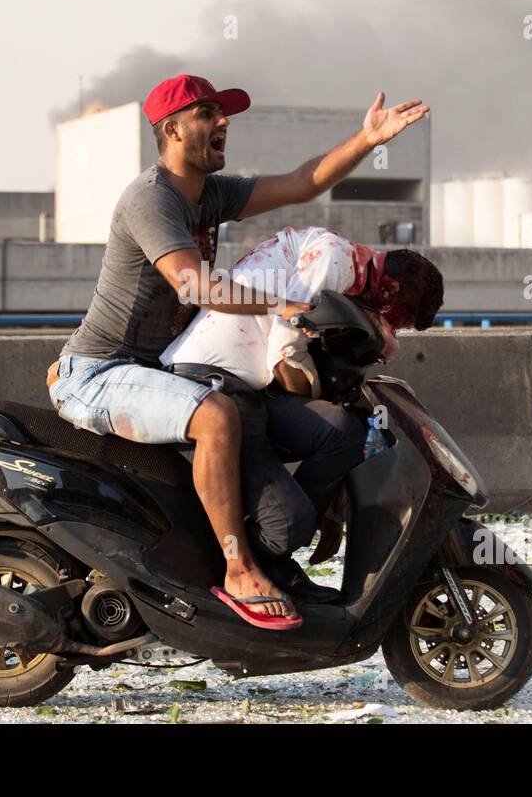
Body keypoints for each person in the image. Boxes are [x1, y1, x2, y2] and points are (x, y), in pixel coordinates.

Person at [48, 73, 429, 630]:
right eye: (208, 114)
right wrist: (285, 305)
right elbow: (194, 286)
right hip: (99, 373)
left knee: (334, 429)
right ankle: (238, 568)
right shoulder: (150, 198)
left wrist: (367, 140)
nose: (223, 122)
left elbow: (301, 183)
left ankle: (277, 557)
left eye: (223, 114)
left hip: (153, 371)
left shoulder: (209, 195)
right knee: (218, 416)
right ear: (172, 129)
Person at [161, 227, 444, 600]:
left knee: (341, 431)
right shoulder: (333, 259)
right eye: (396, 318)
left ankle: (276, 555)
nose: (390, 327)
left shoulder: (347, 269)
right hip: (213, 384)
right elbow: (284, 354)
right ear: (389, 290)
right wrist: (318, 394)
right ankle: (249, 565)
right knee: (289, 524)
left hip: (248, 388)